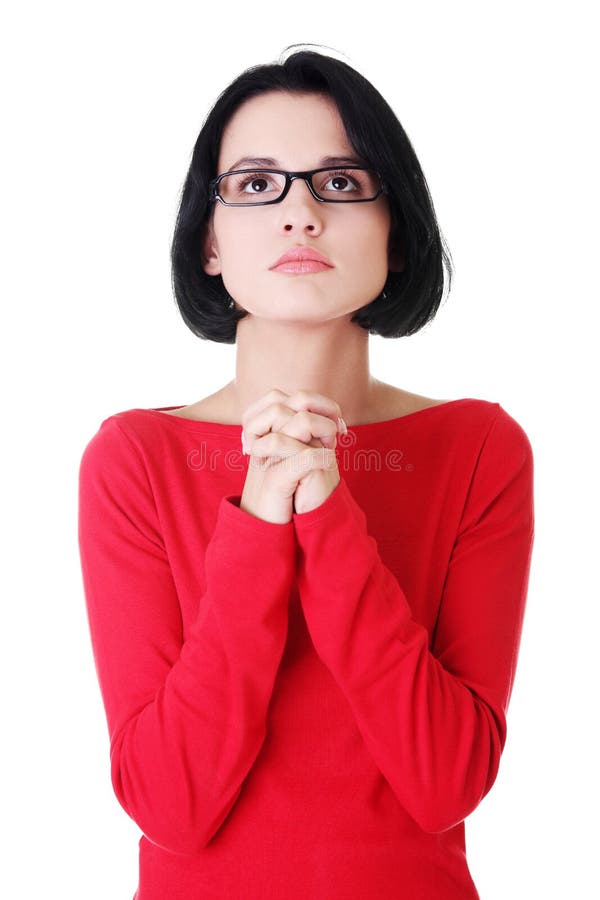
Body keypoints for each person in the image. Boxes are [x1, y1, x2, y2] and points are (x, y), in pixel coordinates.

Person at [77, 45, 535, 900]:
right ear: (208, 240)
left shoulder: (477, 449)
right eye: (256, 185)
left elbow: (448, 783)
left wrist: (329, 516)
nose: (299, 215)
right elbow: (170, 806)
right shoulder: (132, 460)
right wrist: (256, 524)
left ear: (397, 234)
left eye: (341, 184)